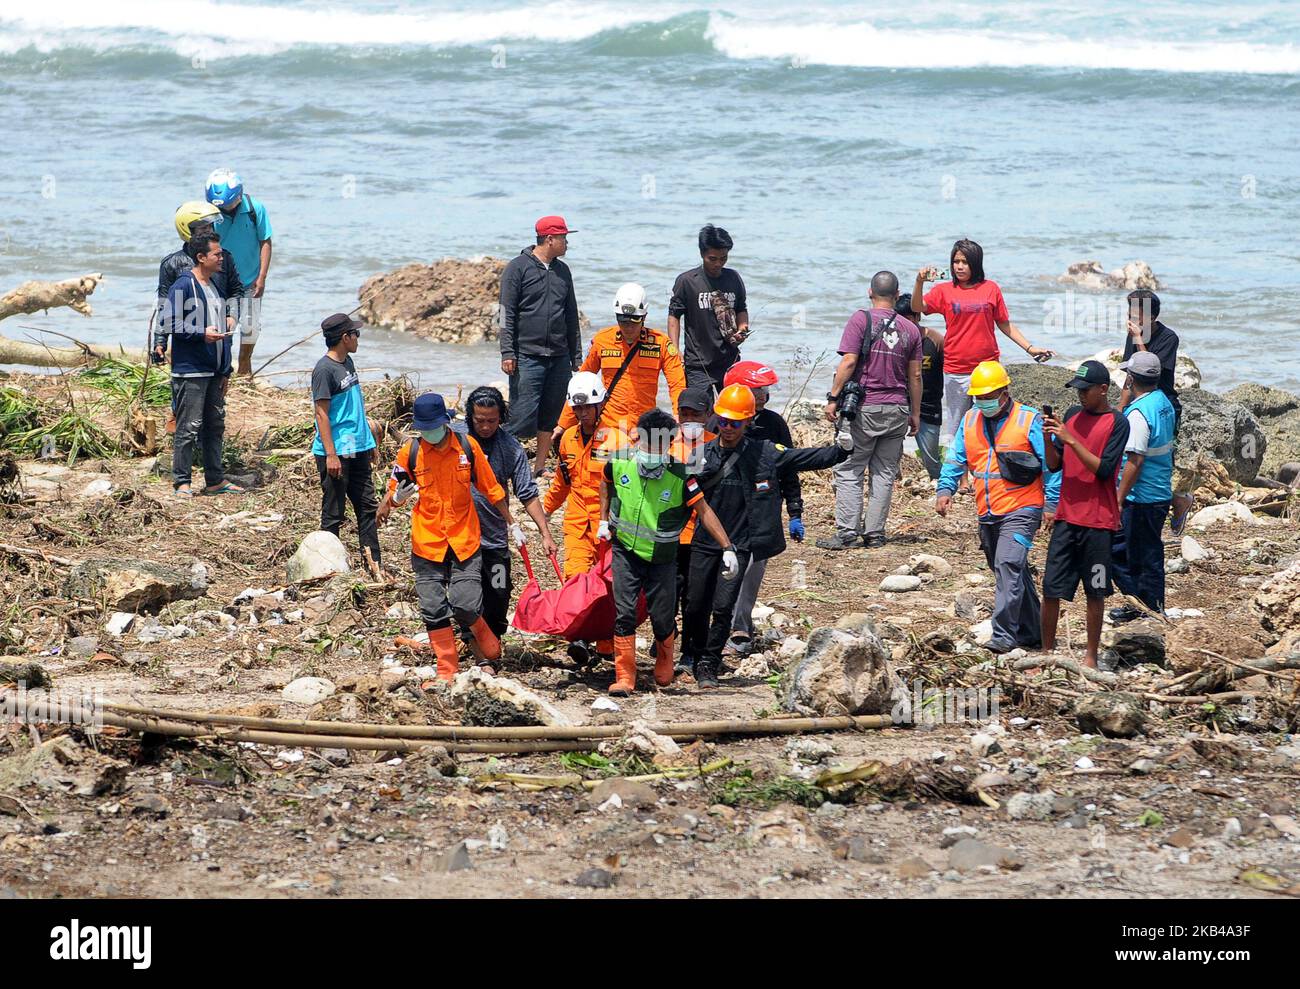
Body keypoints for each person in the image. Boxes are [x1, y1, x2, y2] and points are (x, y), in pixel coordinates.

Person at [688, 385, 849, 687]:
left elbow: (804, 459)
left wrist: (841, 451)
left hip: (741, 544)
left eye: (735, 423)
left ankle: (709, 663)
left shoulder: (764, 453)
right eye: (723, 421)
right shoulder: (701, 455)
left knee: (723, 608)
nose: (728, 428)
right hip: (705, 542)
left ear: (748, 421)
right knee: (695, 605)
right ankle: (694, 656)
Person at [378, 393, 516, 681]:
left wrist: (512, 524)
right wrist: (396, 499)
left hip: (464, 540)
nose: (429, 433)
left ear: (446, 422)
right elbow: (393, 494)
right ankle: (447, 669)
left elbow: (492, 489)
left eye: (433, 427)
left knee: (466, 604)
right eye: (424, 428)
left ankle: (487, 643)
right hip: (427, 542)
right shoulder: (411, 452)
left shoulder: (467, 447)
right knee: (433, 608)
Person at [599, 408, 736, 695]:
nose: (651, 450)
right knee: (624, 613)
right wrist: (603, 519)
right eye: (647, 443)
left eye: (658, 445)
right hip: (625, 550)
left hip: (662, 558)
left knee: (662, 616)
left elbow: (704, 510)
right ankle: (625, 675)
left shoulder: (681, 475)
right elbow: (606, 481)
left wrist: (727, 547)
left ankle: (664, 660)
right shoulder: (619, 461)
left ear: (669, 444)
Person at [936, 361, 1059, 653]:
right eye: (979, 398)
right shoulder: (970, 420)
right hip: (988, 510)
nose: (984, 402)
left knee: (1007, 565)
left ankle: (1003, 636)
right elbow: (956, 457)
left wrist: (1052, 503)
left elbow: (1052, 464)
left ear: (1005, 393)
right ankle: (1033, 631)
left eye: (989, 397)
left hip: (1023, 507)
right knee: (1008, 570)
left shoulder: (1028, 420)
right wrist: (945, 488)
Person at [911, 239, 1053, 446]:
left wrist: (1029, 348)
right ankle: (958, 466)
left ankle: (992, 460)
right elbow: (917, 307)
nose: (959, 266)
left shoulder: (991, 288)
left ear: (976, 263)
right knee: (957, 428)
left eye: (965, 262)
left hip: (988, 369)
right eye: (956, 261)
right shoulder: (944, 290)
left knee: (993, 423)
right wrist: (919, 282)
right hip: (957, 369)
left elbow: (1004, 323)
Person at [818, 271, 922, 550]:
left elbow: (849, 362)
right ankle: (875, 533)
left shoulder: (860, 319)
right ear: (897, 295)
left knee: (850, 468)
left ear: (869, 292)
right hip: (897, 408)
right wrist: (915, 413)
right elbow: (915, 376)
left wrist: (833, 397)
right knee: (884, 472)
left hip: (865, 408)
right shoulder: (911, 329)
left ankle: (847, 534)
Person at [1041, 360, 1130, 669]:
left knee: (1096, 590)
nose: (1080, 395)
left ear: (1103, 389)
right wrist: (1049, 438)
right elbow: (1054, 464)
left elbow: (1104, 470)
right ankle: (1046, 652)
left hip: (1099, 523)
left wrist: (1070, 440)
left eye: (1086, 390)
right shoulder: (1071, 416)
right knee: (1051, 587)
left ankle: (1090, 656)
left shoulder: (1118, 423)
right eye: (1077, 390)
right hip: (1067, 518)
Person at [453, 386, 558, 644]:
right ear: (470, 416)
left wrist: (545, 533)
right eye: (479, 420)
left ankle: (494, 637)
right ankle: (472, 642)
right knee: (467, 595)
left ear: (501, 417)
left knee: (499, 590)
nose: (485, 427)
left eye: (492, 421)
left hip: (495, 541)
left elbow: (527, 493)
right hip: (460, 537)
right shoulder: (454, 439)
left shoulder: (510, 448)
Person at [717, 360, 806, 658]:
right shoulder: (718, 424)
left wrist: (795, 512)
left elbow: (790, 467)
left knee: (753, 569)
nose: (763, 396)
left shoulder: (773, 424)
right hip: (726, 508)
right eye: (756, 391)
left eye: (765, 391)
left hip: (764, 508)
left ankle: (740, 628)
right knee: (723, 570)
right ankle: (716, 628)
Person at [543, 372, 628, 666]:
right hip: (578, 523)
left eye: (587, 407)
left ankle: (605, 646)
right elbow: (562, 481)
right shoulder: (568, 439)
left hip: (610, 525)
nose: (582, 413)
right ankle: (578, 637)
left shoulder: (618, 441)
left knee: (607, 587)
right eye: (577, 408)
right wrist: (545, 512)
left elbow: (628, 487)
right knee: (576, 579)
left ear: (600, 404)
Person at [159, 231, 241, 498]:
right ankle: (182, 483)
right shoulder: (183, 285)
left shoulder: (214, 285)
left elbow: (222, 326)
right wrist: (200, 333)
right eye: (217, 254)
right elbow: (169, 322)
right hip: (191, 370)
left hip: (215, 370)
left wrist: (226, 368)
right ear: (201, 257)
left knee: (215, 426)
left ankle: (215, 480)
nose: (222, 257)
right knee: (188, 427)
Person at [499, 215, 582, 475]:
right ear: (549, 239)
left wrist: (576, 357)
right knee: (521, 416)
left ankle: (539, 467)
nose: (567, 243)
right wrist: (507, 351)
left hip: (559, 355)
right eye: (563, 238)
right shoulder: (517, 268)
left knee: (551, 415)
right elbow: (505, 312)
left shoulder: (563, 271)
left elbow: (571, 315)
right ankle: (508, 466)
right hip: (527, 355)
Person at [152, 201, 245, 434]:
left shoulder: (224, 258)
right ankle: (179, 420)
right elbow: (165, 306)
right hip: (188, 336)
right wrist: (160, 341)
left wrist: (232, 315)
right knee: (187, 389)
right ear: (188, 230)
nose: (209, 231)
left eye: (211, 226)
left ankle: (209, 436)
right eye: (203, 228)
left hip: (219, 333)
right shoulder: (172, 264)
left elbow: (236, 291)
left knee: (217, 391)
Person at [554, 282, 685, 436]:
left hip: (645, 426)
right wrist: (563, 425)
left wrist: (678, 416)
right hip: (609, 424)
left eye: (634, 322)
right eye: (623, 321)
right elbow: (580, 383)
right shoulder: (602, 341)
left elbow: (677, 384)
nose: (628, 327)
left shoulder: (660, 343)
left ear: (644, 317)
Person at [311, 312, 380, 573]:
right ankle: (328, 568)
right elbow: (321, 414)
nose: (358, 338)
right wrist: (331, 455)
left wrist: (368, 442)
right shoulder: (324, 370)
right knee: (334, 512)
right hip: (337, 451)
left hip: (357, 447)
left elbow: (354, 407)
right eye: (355, 334)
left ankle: (373, 564)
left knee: (367, 507)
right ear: (345, 338)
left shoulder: (347, 362)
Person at [1118, 289, 1191, 532]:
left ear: (1151, 316)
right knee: (1131, 459)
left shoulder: (1168, 338)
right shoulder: (1132, 335)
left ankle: (1178, 502)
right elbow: (1131, 375)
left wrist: (1139, 338)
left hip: (1162, 405)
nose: (1131, 319)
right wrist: (1120, 409)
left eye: (1136, 315)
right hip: (1138, 405)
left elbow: (1149, 370)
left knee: (1156, 464)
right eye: (1129, 313)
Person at [1111, 352, 1176, 621]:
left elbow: (1135, 461)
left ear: (1130, 379)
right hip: (1158, 489)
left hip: (1141, 496)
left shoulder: (1138, 414)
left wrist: (1118, 499)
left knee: (1136, 555)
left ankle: (1148, 608)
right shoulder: (1163, 402)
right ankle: (1142, 604)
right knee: (1142, 552)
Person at [667, 387, 717, 676]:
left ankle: (690, 652)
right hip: (672, 533)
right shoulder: (666, 444)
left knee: (695, 600)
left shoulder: (716, 445)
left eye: (695, 415)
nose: (689, 420)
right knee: (668, 595)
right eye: (684, 414)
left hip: (702, 533)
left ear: (708, 415)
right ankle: (666, 638)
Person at [205, 169, 273, 376]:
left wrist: (262, 277)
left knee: (251, 327)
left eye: (228, 204)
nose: (224, 209)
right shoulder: (210, 214)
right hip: (221, 281)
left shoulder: (255, 209)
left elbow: (265, 241)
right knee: (224, 327)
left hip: (251, 279)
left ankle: (244, 365)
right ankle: (223, 369)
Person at [668, 224, 749, 394]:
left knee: (733, 407)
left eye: (723, 258)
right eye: (712, 259)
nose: (718, 263)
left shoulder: (734, 278)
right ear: (702, 254)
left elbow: (741, 308)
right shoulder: (687, 281)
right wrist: (674, 350)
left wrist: (742, 329)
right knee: (699, 408)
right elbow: (674, 315)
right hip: (697, 365)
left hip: (729, 360)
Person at [895, 292, 945, 480]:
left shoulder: (936, 340)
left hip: (929, 406)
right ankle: (894, 483)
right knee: (891, 454)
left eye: (908, 320)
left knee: (931, 459)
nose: (904, 326)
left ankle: (940, 484)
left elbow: (951, 369)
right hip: (900, 404)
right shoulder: (894, 341)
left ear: (918, 316)